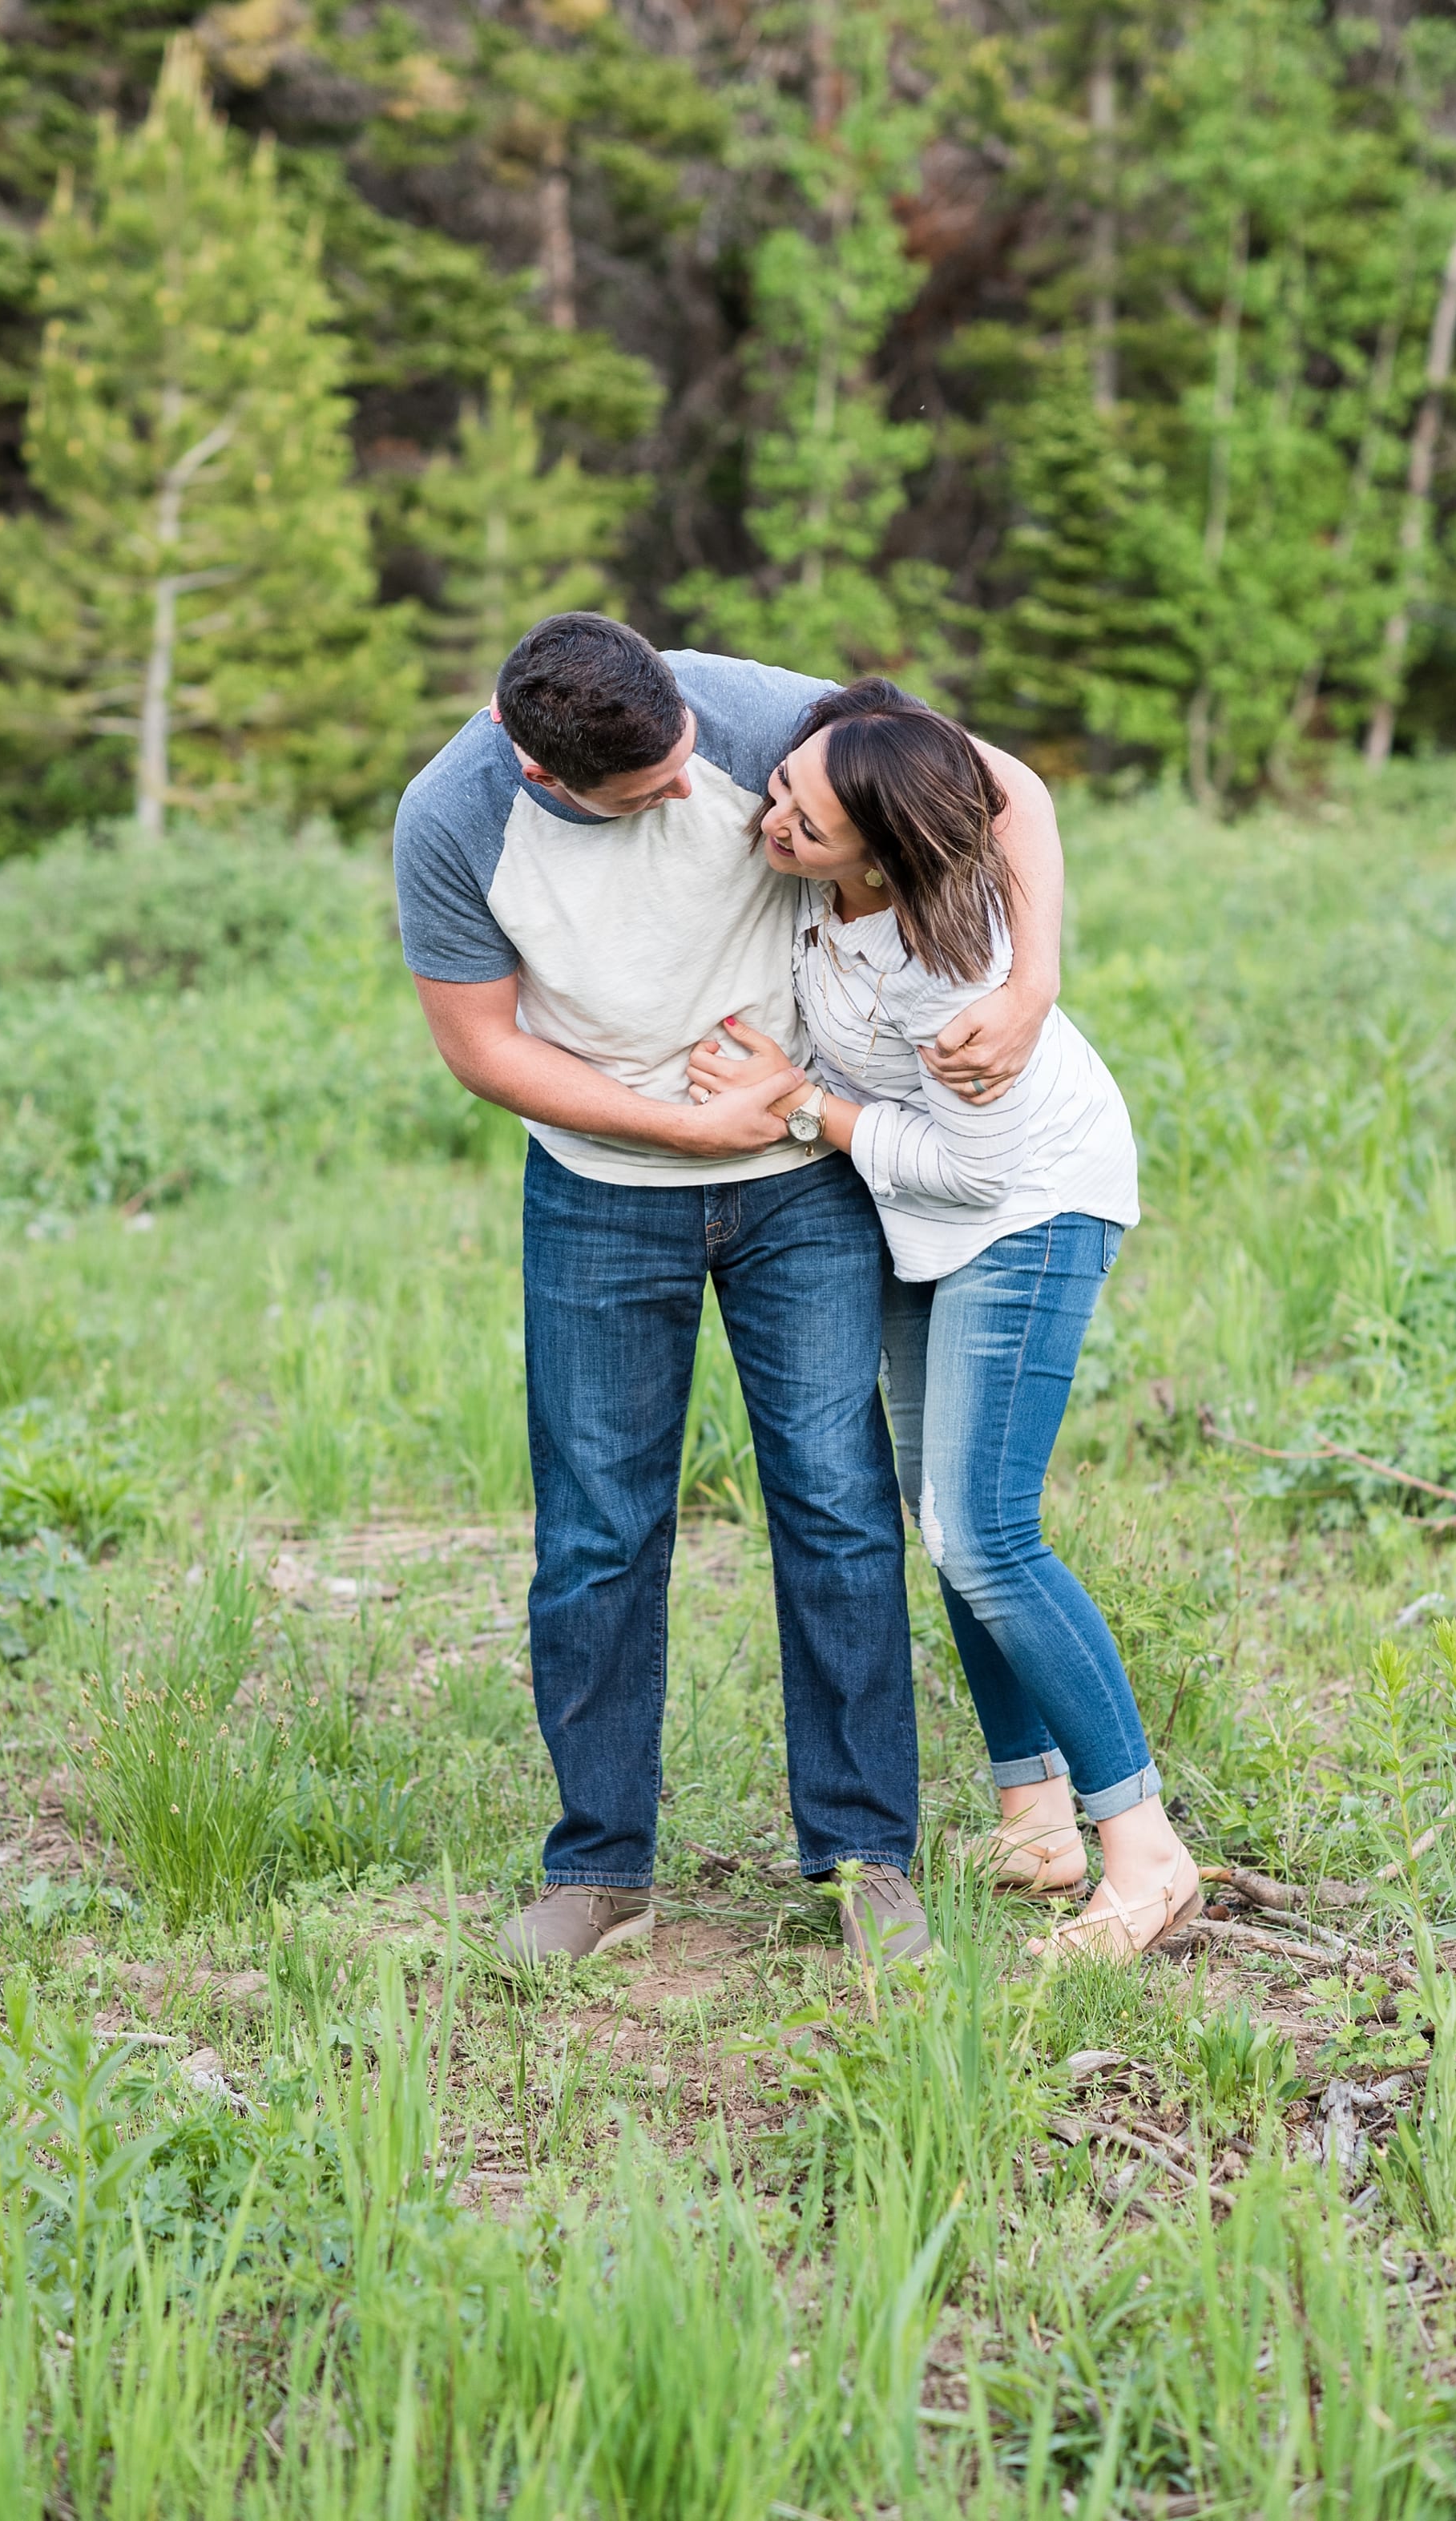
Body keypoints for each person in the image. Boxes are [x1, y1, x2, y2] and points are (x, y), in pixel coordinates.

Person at [393, 615, 1066, 1969]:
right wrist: (682, 1133)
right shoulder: (453, 821)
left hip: (804, 1175)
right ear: (541, 771)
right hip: (596, 1190)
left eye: (688, 747)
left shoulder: (753, 714)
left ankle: (866, 1857)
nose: (710, 781)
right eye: (649, 784)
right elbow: (480, 1044)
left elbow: (1013, 793)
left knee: (834, 1501)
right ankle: (599, 1870)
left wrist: (1035, 980)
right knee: (595, 1524)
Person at [686, 679, 1202, 1961]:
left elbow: (975, 1168)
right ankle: (1035, 1819)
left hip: (1028, 1210)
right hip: (930, 1221)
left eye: (807, 818)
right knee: (947, 1519)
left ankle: (1145, 1850)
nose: (775, 817)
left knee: (985, 1529)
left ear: (883, 845)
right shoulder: (836, 871)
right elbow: (1005, 774)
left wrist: (805, 1105)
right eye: (784, 787)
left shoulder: (948, 964)